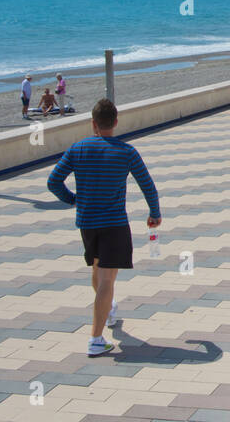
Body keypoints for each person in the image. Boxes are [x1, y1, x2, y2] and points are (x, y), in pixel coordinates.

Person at [48, 98, 161, 358]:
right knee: (107, 280)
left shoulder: (78, 149)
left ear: (93, 123)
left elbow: (53, 181)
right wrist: (154, 214)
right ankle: (96, 339)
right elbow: (148, 186)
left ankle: (107, 310)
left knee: (98, 271)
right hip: (114, 223)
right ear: (116, 122)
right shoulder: (126, 152)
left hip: (87, 223)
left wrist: (72, 199)